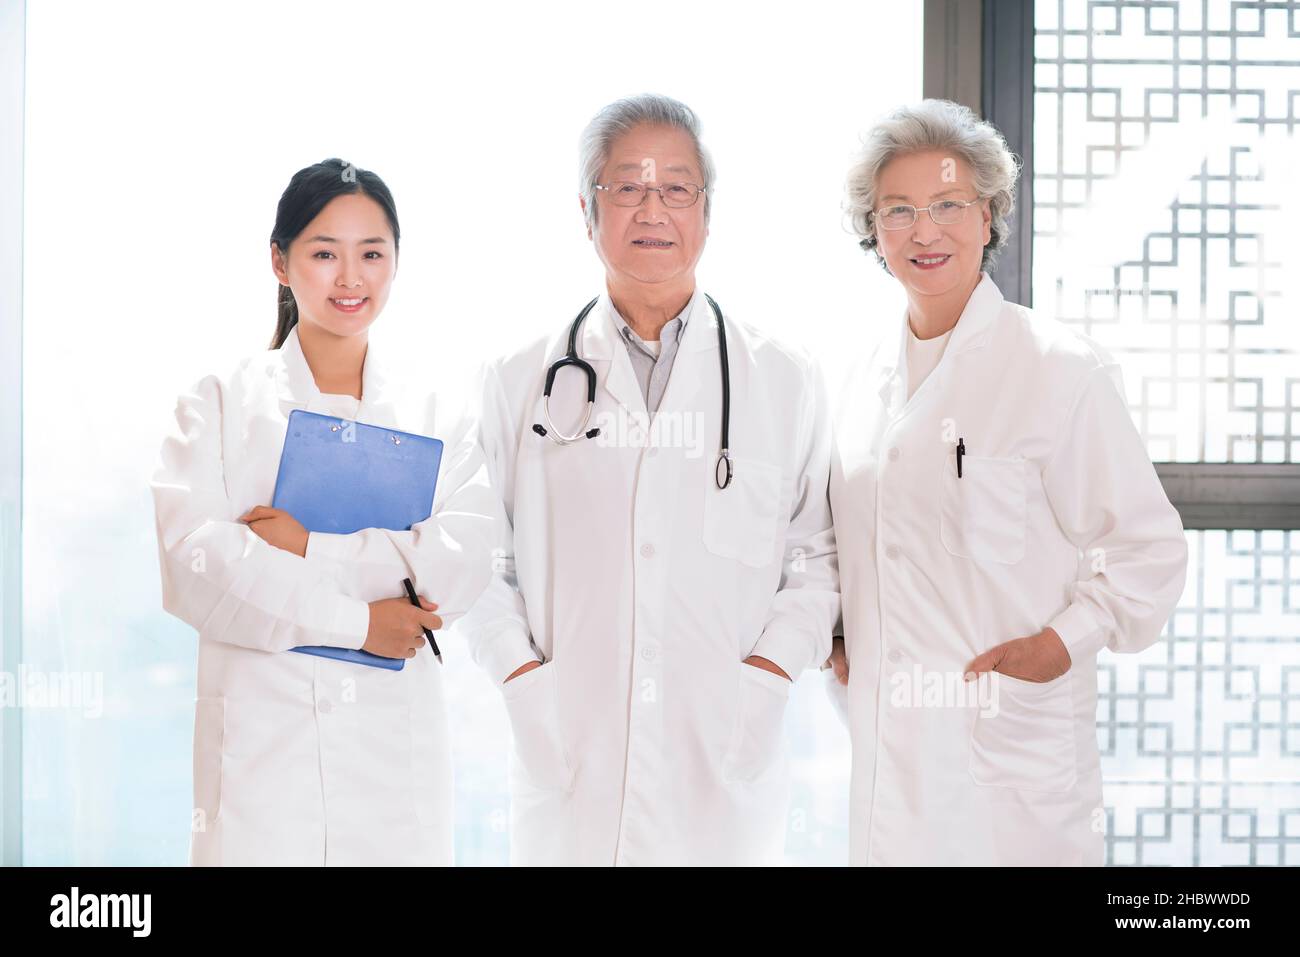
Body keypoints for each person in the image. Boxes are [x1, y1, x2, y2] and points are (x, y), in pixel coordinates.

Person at [461, 94, 839, 865]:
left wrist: (764, 679)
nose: (651, 208)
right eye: (626, 187)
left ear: (707, 210)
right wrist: (523, 677)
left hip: (724, 760)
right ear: (586, 209)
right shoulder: (517, 378)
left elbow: (818, 558)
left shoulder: (783, 377)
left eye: (675, 187)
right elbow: (474, 555)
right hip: (571, 758)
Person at [828, 100, 1188, 865]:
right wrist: (836, 631)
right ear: (875, 231)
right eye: (900, 210)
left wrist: (1062, 645)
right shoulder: (857, 383)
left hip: (1012, 766)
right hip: (889, 761)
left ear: (988, 217)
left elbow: (1147, 551)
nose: (926, 231)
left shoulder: (1058, 369)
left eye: (949, 205)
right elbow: (850, 542)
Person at [151, 158, 497, 865]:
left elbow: (459, 565)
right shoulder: (217, 404)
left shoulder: (441, 415)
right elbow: (202, 570)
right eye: (323, 253)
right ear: (279, 261)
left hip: (391, 770)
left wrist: (310, 548)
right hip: (262, 771)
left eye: (372, 253)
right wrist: (364, 620)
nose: (351, 278)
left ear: (396, 263)